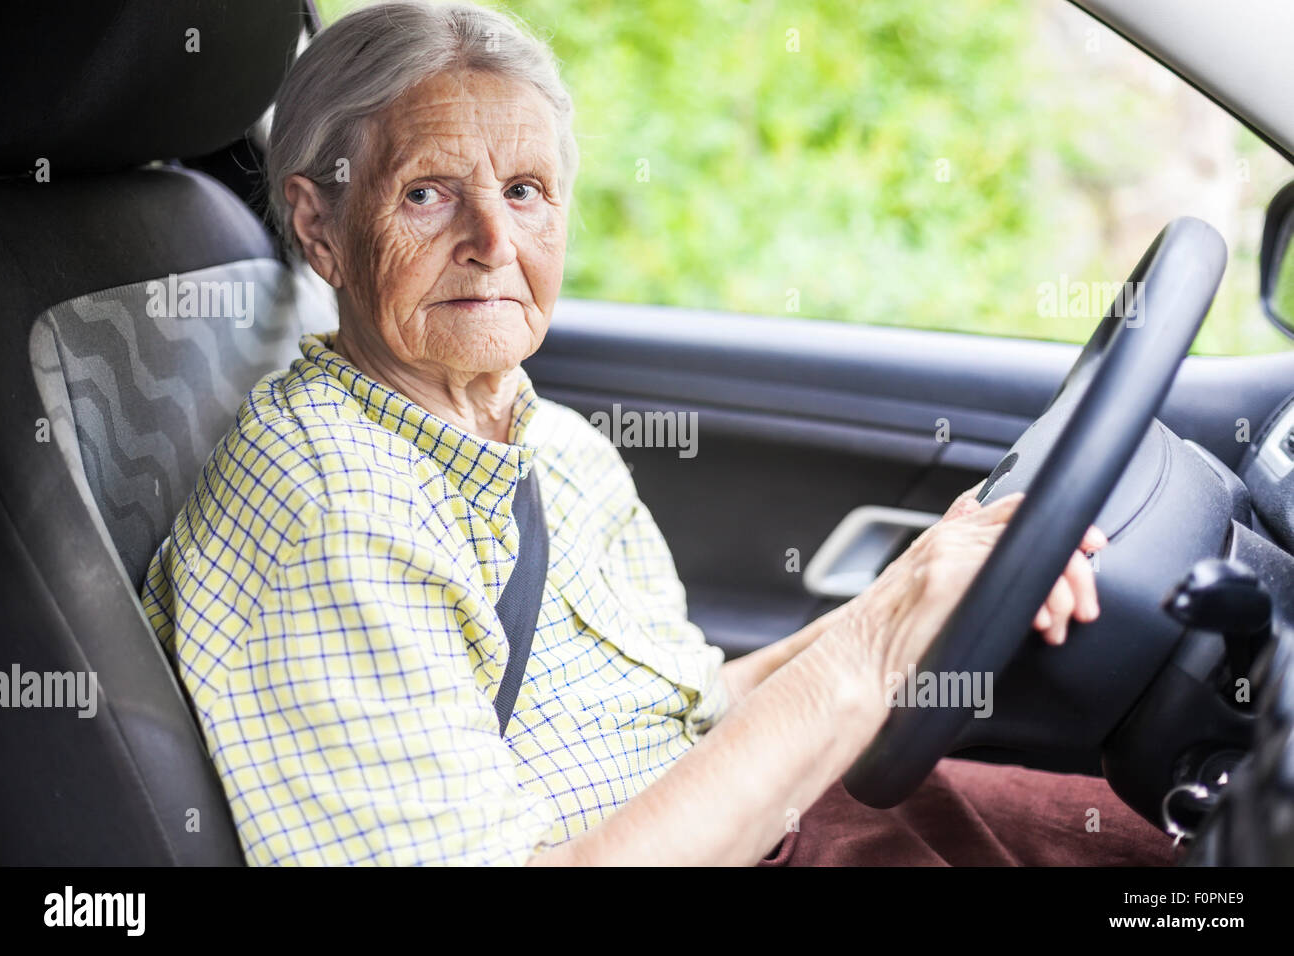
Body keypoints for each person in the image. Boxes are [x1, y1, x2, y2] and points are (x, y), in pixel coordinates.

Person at [142, 0, 1173, 866]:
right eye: (427, 192)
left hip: (752, 818)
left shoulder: (544, 437)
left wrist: (926, 582)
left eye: (526, 191)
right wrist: (877, 636)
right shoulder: (332, 508)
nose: (493, 241)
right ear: (319, 226)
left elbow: (686, 709)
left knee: (1169, 845)